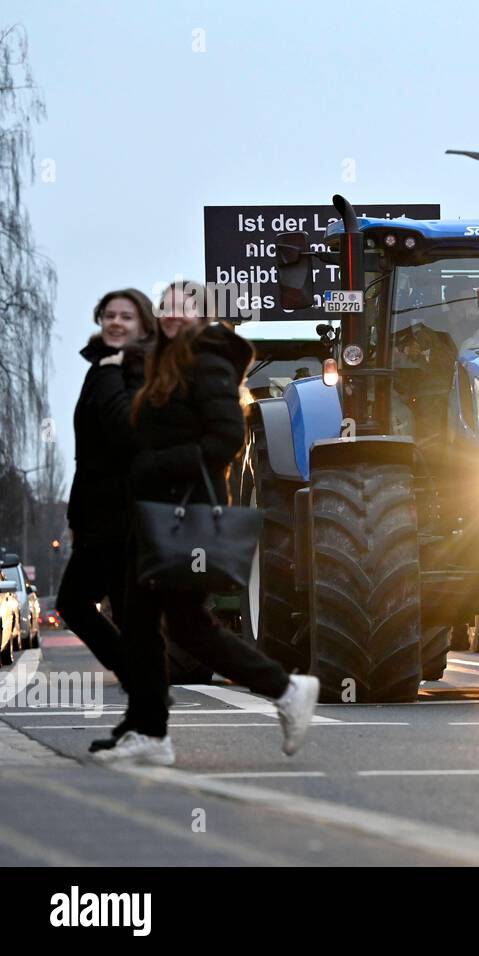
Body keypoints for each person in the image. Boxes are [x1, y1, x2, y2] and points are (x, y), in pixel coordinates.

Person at [93, 280, 318, 766]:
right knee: (141, 622)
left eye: (184, 307)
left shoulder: (209, 362)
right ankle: (153, 733)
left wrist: (157, 465)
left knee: (188, 626)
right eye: (167, 306)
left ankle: (286, 690)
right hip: (153, 513)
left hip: (185, 512)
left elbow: (226, 438)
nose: (173, 314)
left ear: (201, 316)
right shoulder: (163, 364)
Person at [57, 289, 155, 699]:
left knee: (76, 603)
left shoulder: (132, 369)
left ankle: (143, 687)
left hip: (121, 513)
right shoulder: (103, 366)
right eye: (109, 315)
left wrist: (112, 371)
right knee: (125, 612)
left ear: (143, 326)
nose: (116, 322)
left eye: (126, 317)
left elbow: (125, 430)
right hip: (100, 513)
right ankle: (145, 697)